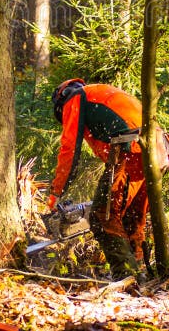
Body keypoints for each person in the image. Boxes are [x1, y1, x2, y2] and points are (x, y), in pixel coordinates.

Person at [47, 78, 149, 279]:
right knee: (131, 219)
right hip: (157, 149)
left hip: (130, 149)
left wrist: (56, 193)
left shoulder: (75, 98)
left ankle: (127, 277)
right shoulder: (101, 95)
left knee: (102, 216)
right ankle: (143, 273)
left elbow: (69, 150)